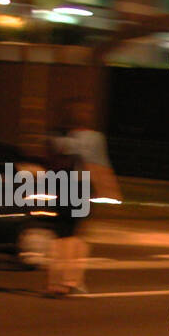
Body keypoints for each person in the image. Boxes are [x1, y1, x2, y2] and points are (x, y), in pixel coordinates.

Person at [46, 99, 114, 297]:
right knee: (76, 236)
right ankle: (71, 281)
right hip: (80, 187)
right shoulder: (94, 138)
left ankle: (56, 282)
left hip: (61, 186)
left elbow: (51, 159)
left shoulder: (56, 136)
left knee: (61, 234)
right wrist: (107, 189)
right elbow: (99, 165)